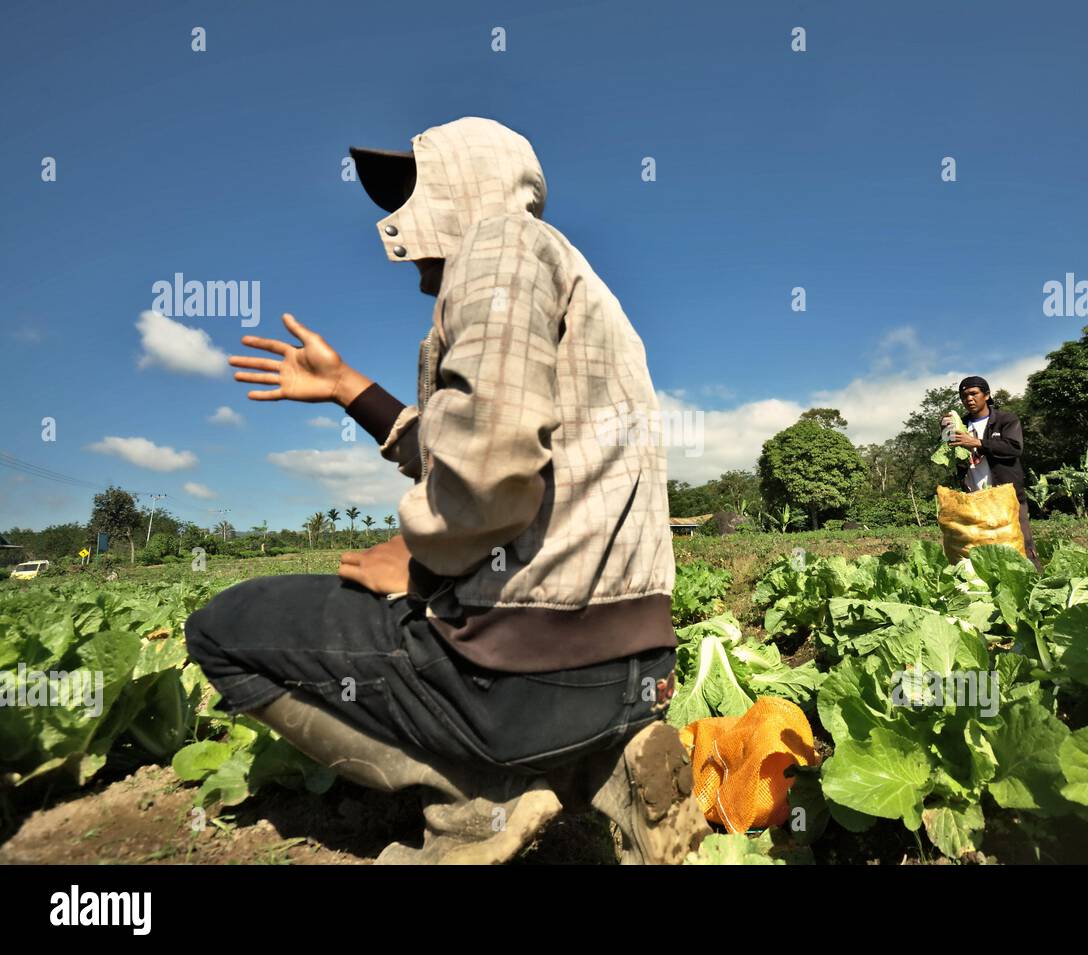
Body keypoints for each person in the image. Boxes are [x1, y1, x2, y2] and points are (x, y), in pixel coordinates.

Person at [183, 117, 709, 864]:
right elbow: (465, 435)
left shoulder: (496, 248)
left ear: (459, 187)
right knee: (545, 693)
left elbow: (488, 460)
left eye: (410, 188)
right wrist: (345, 388)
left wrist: (424, 562)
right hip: (636, 674)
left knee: (222, 627)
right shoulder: (581, 289)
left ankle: (472, 795)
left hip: (512, 678)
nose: (397, 215)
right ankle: (606, 762)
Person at [939, 376, 1042, 570]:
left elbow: (1014, 448)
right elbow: (948, 452)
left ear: (986, 395)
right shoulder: (960, 424)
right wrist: (944, 431)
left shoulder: (1005, 420)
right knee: (980, 547)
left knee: (1019, 545)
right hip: (974, 499)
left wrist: (977, 442)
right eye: (964, 396)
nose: (968, 399)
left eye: (973, 394)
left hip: (1006, 496)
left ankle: (1035, 587)